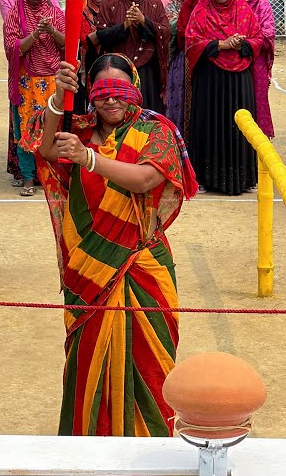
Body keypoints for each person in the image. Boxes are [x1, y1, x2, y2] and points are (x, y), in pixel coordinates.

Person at [24, 54, 196, 436]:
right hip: (89, 269)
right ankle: (87, 446)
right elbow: (46, 146)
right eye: (101, 92)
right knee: (87, 366)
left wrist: (88, 159)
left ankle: (152, 448)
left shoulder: (156, 131)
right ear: (90, 94)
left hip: (142, 264)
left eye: (120, 90)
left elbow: (145, 178)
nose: (110, 100)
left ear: (134, 88)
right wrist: (57, 95)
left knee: (150, 366)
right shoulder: (79, 131)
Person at [184, 0, 263, 196]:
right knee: (211, 125)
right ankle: (209, 178)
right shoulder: (200, 13)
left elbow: (258, 37)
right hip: (210, 80)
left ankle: (243, 178)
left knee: (240, 126)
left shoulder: (244, 11)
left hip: (239, 81)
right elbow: (191, 43)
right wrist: (220, 44)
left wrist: (243, 43)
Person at [4, 0, 66, 197]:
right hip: (26, 82)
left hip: (53, 80)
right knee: (26, 130)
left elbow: (68, 44)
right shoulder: (14, 15)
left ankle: (50, 175)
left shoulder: (55, 14)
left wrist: (50, 30)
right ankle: (28, 177)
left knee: (52, 129)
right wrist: (34, 35)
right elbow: (13, 48)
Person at [98, 0, 172, 113]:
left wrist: (143, 21)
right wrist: (125, 25)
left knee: (144, 115)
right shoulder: (109, 4)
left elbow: (165, 33)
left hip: (147, 73)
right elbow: (102, 37)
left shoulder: (155, 4)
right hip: (116, 71)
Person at [237, 0, 276, 139]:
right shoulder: (233, 2)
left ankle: (259, 140)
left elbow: (268, 36)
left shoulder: (263, 6)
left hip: (257, 61)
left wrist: (248, 40)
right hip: (233, 59)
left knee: (257, 99)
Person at [78, 0, 117, 118]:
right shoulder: (83, 13)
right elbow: (86, 41)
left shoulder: (116, 10)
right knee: (96, 98)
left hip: (115, 59)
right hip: (93, 62)